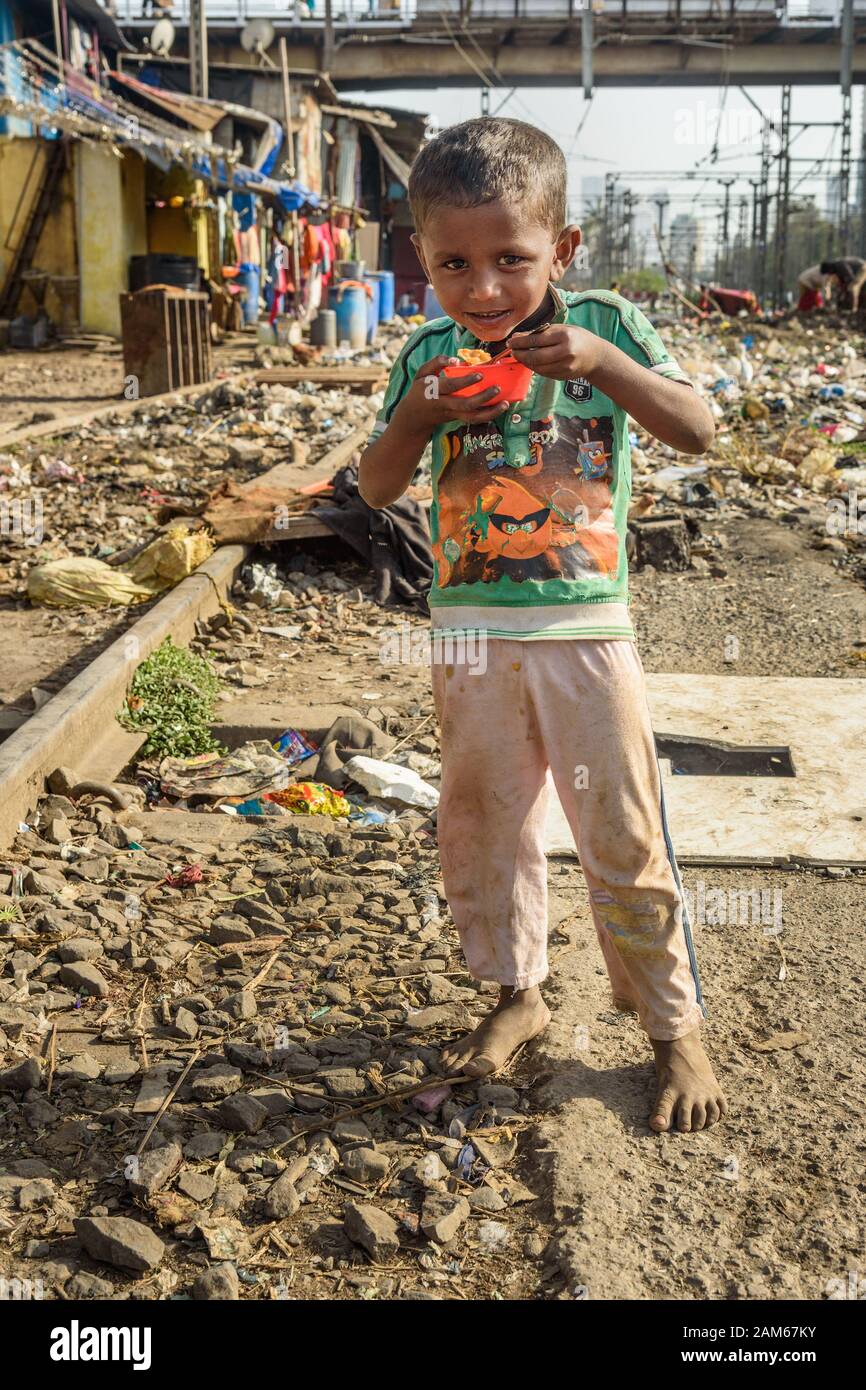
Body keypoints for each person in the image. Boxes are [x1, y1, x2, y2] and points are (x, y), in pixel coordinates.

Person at [358, 118, 726, 1134]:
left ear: (560, 251)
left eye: (510, 261)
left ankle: (669, 1025)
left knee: (620, 826)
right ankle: (515, 990)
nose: (482, 290)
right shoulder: (429, 355)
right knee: (483, 825)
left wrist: (602, 363)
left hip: (583, 629)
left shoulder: (602, 324)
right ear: (421, 261)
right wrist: (418, 415)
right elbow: (375, 483)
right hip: (468, 631)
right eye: (453, 264)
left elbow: (696, 428)